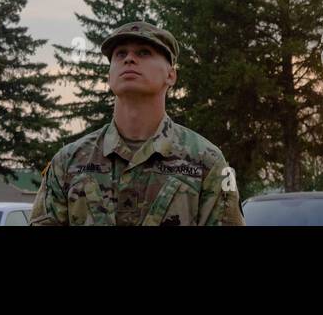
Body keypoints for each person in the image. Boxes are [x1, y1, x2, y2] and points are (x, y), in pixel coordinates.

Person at [29, 21, 244, 226]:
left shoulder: (208, 161)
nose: (129, 58)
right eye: (120, 53)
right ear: (109, 75)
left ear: (171, 75)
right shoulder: (67, 162)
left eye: (144, 52)